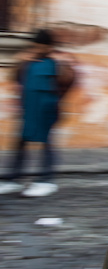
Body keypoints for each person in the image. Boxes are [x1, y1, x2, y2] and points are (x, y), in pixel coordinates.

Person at [0, 29, 76, 197]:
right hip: (29, 108)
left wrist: (62, 66)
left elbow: (69, 82)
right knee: (20, 142)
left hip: (47, 110)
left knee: (46, 143)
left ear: (48, 46)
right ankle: (12, 179)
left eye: (40, 46)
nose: (37, 49)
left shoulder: (60, 61)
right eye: (35, 46)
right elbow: (17, 78)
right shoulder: (29, 60)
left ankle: (46, 180)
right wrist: (20, 61)